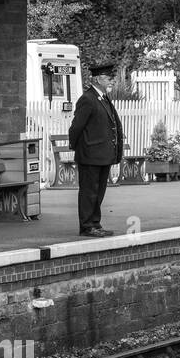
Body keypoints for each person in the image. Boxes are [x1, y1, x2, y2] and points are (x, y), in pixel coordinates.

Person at [68, 61, 124, 237]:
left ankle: (95, 223)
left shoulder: (103, 98)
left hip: (102, 154)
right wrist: (78, 147)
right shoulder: (88, 99)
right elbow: (76, 127)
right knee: (89, 191)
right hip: (91, 154)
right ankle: (86, 225)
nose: (111, 81)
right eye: (109, 78)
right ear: (98, 79)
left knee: (98, 191)